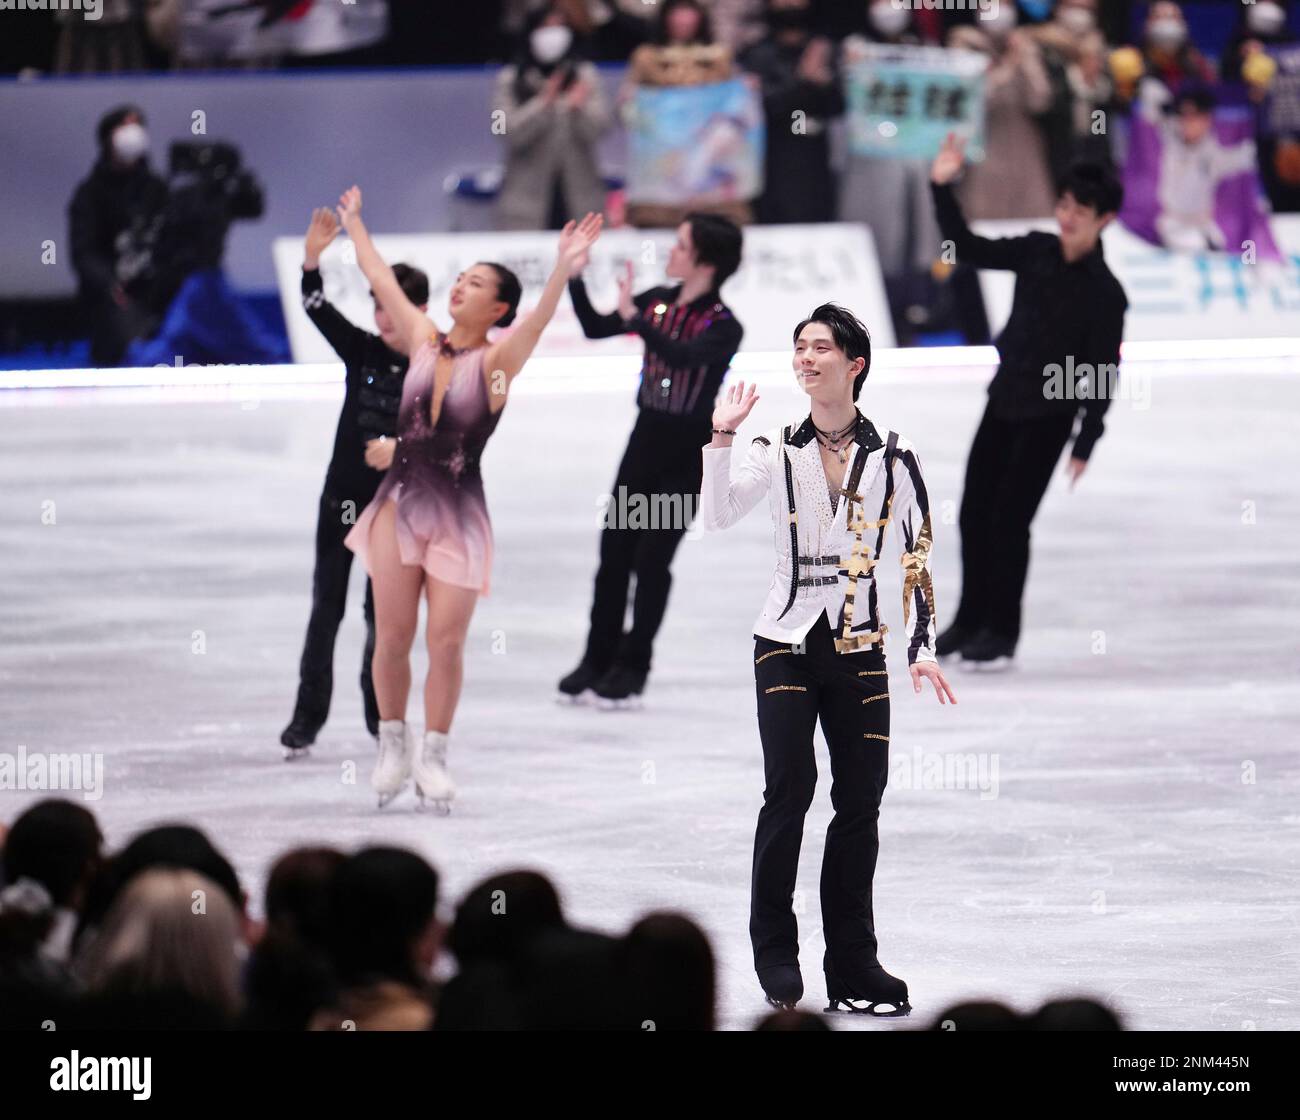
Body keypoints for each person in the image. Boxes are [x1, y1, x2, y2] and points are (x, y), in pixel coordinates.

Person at [699, 303, 956, 1016]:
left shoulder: (895, 457)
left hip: (859, 646)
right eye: (800, 349)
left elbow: (916, 556)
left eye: (821, 348)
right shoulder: (774, 447)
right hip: (783, 641)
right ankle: (775, 951)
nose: (806, 359)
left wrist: (921, 646)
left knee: (859, 804)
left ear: (855, 363)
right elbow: (716, 516)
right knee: (790, 789)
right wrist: (722, 435)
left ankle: (852, 965)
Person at [337, 186, 604, 809]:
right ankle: (391, 743)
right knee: (391, 638)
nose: (460, 286)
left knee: (447, 642)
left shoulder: (499, 363)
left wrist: (563, 268)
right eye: (460, 277)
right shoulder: (424, 339)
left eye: (476, 282)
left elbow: (538, 323)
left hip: (457, 514)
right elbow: (381, 280)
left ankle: (433, 754)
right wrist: (355, 225)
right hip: (397, 508)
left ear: (499, 305)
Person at [929, 132, 1127, 669]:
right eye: (1063, 204)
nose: (1066, 216)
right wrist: (942, 187)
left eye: (1079, 210)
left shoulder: (1105, 293)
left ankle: (1001, 629)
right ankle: (969, 619)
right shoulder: (1037, 250)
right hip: (1004, 399)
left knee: (1009, 521)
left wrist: (1087, 439)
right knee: (974, 512)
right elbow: (967, 248)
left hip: (1050, 415)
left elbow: (1102, 372)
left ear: (1103, 218)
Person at [557, 213, 744, 707]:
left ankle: (634, 664)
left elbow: (684, 358)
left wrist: (637, 321)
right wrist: (573, 275)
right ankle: (596, 658)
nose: (672, 251)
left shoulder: (725, 326)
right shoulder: (657, 299)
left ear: (705, 259)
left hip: (684, 454)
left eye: (682, 245)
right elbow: (598, 327)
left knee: (652, 559)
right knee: (614, 552)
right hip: (645, 442)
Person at [281, 207, 429, 754]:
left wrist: (403, 452)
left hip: (394, 511)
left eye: (391, 307)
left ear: (418, 311)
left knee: (380, 616)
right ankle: (307, 717)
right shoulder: (362, 349)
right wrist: (312, 259)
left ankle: (380, 717)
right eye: (377, 306)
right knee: (327, 608)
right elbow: (316, 307)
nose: (382, 318)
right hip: (342, 501)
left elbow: (452, 442)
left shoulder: (432, 368)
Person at [492, 4, 614, 231]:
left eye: (560, 27)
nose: (553, 35)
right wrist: (542, 104)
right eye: (546, 27)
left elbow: (602, 128)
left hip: (579, 199)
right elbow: (500, 130)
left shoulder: (586, 76)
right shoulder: (507, 80)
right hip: (525, 204)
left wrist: (579, 109)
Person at [67, 104, 168, 367]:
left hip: (156, 287)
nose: (132, 134)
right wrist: (110, 284)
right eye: (124, 127)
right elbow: (83, 253)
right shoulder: (90, 193)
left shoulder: (156, 188)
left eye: (137, 126)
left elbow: (173, 241)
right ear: (108, 138)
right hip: (113, 293)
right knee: (132, 346)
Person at [738, 0, 844, 224]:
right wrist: (803, 80)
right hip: (772, 158)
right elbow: (762, 106)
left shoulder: (825, 49)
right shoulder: (757, 54)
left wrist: (824, 84)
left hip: (815, 156)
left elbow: (839, 106)